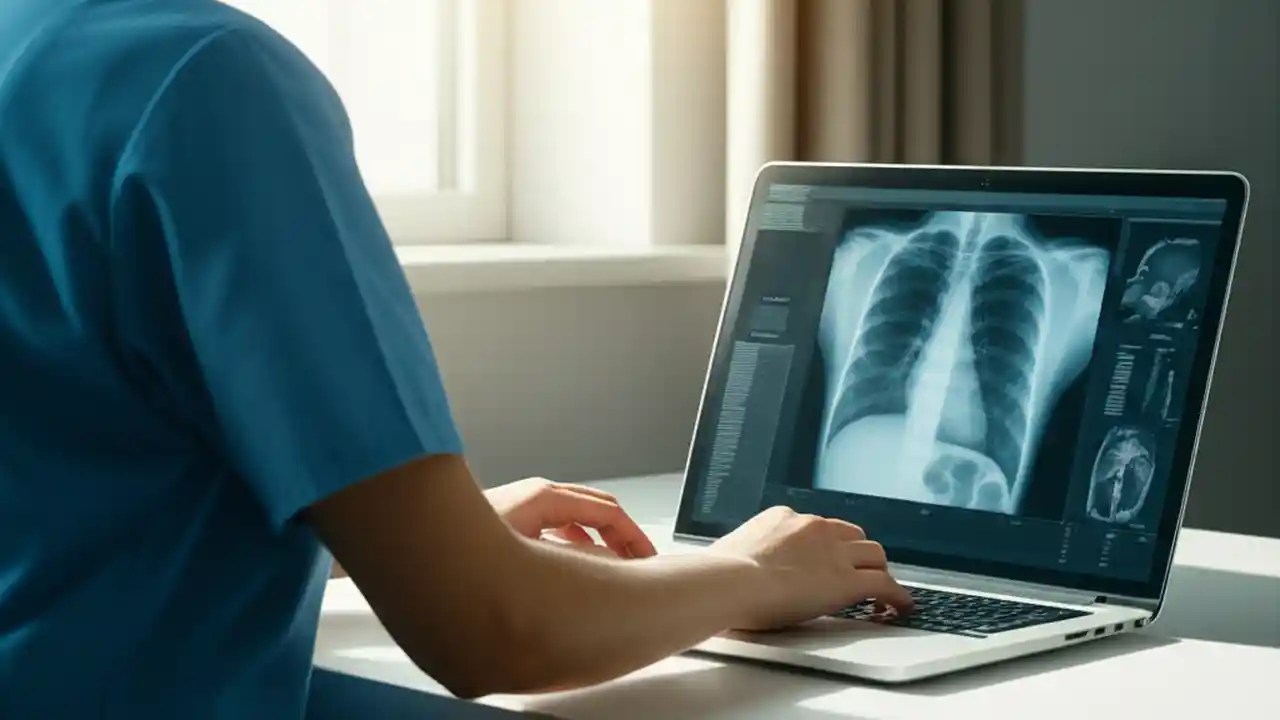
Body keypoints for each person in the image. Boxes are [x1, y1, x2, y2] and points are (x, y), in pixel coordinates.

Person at [0, 1, 912, 717]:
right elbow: (489, 629)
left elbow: (68, 504)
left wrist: (401, 537)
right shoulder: (203, 83)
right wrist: (757, 574)